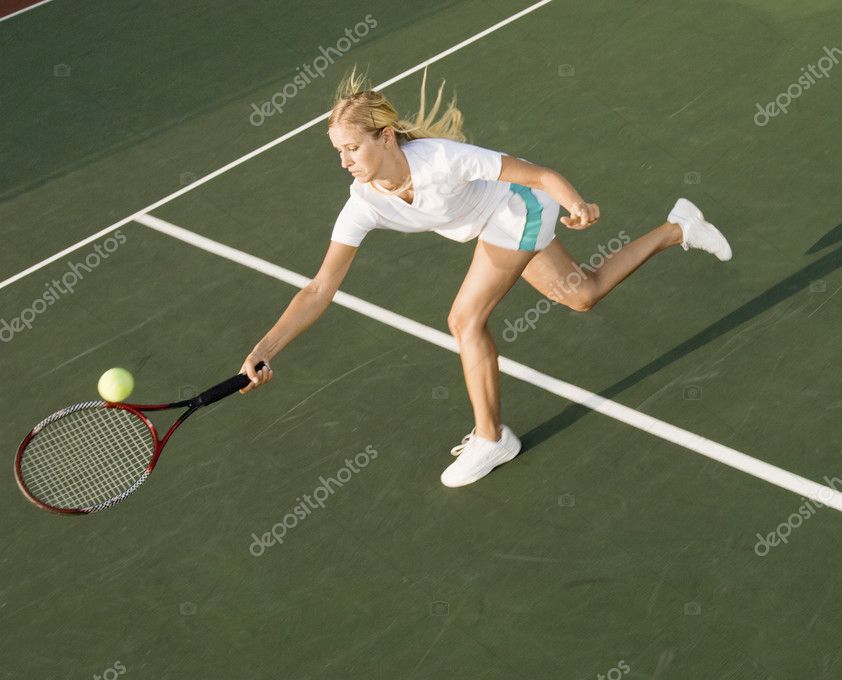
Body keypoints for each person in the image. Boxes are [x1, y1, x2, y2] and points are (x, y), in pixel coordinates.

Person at [239, 69, 732, 488]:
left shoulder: (441, 159)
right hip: (491, 225)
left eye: (351, 148)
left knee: (464, 320)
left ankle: (492, 438)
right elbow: (320, 288)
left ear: (384, 137)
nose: (344, 162)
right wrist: (265, 349)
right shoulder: (363, 202)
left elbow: (537, 175)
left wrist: (576, 204)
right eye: (338, 152)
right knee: (584, 294)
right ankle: (678, 227)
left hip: (521, 207)